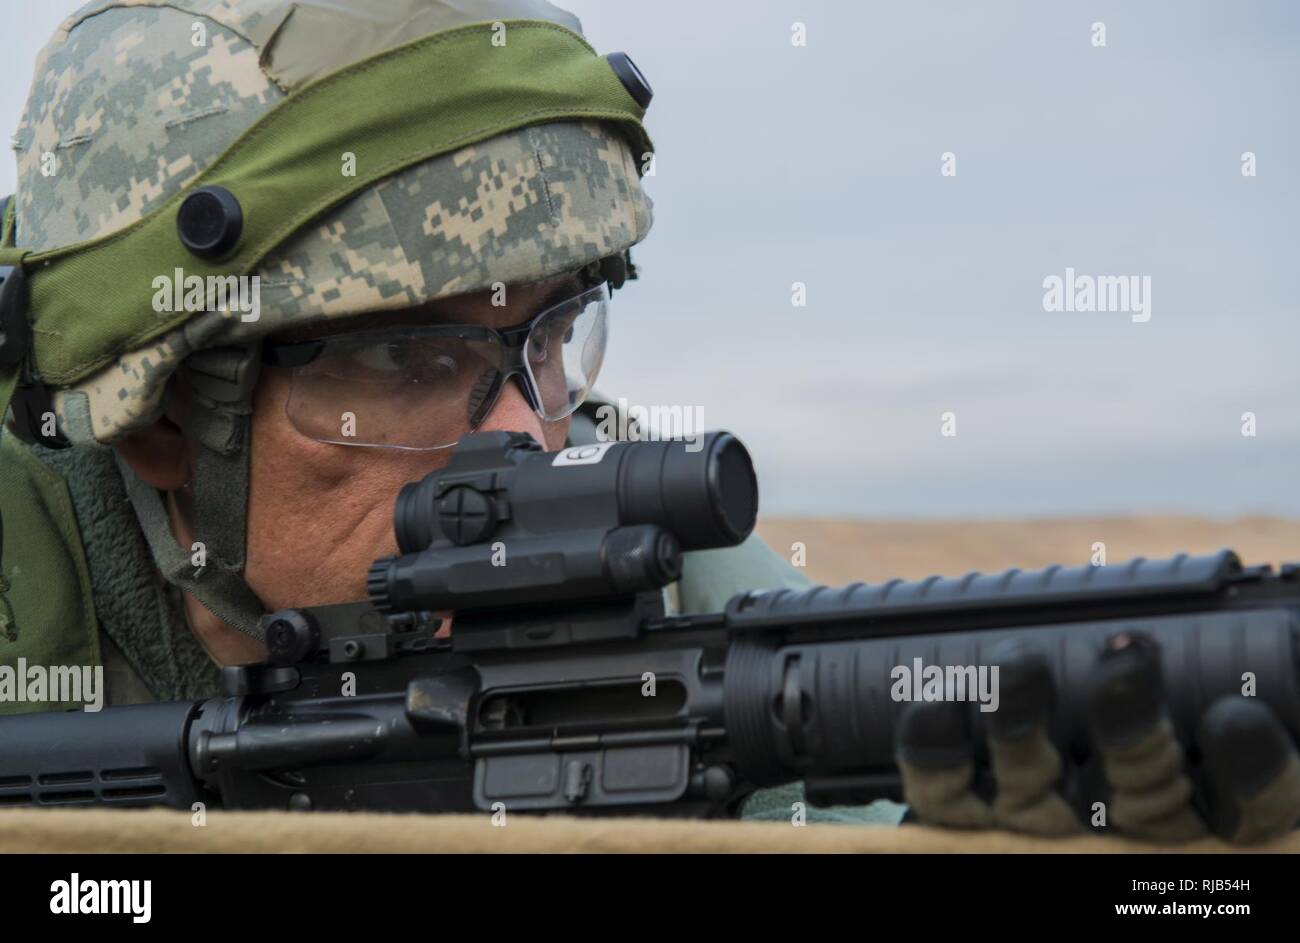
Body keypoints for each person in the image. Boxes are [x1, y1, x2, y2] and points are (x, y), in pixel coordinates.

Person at [0, 0, 1294, 843]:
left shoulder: (681, 615)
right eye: (401, 357)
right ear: (158, 414)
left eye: (548, 336)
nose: (527, 431)